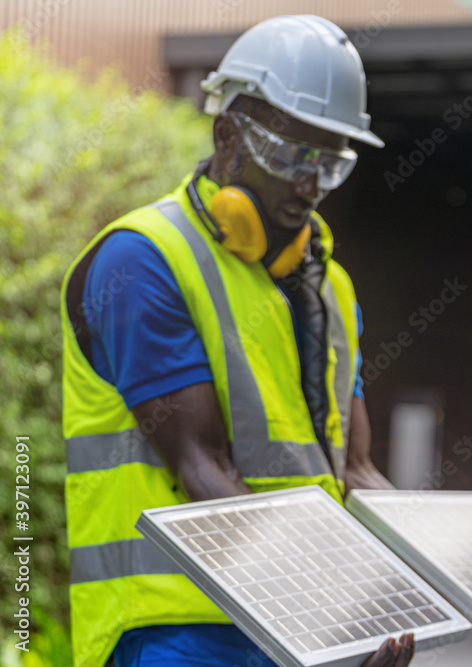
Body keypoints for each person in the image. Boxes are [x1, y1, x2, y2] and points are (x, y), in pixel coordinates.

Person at [61, 15, 409, 667]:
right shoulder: (142, 261)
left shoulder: (329, 286)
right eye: (292, 155)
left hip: (296, 628)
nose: (309, 187)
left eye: (330, 164)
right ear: (226, 135)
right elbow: (204, 467)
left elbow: (355, 474)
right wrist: (337, 612)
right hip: (174, 634)